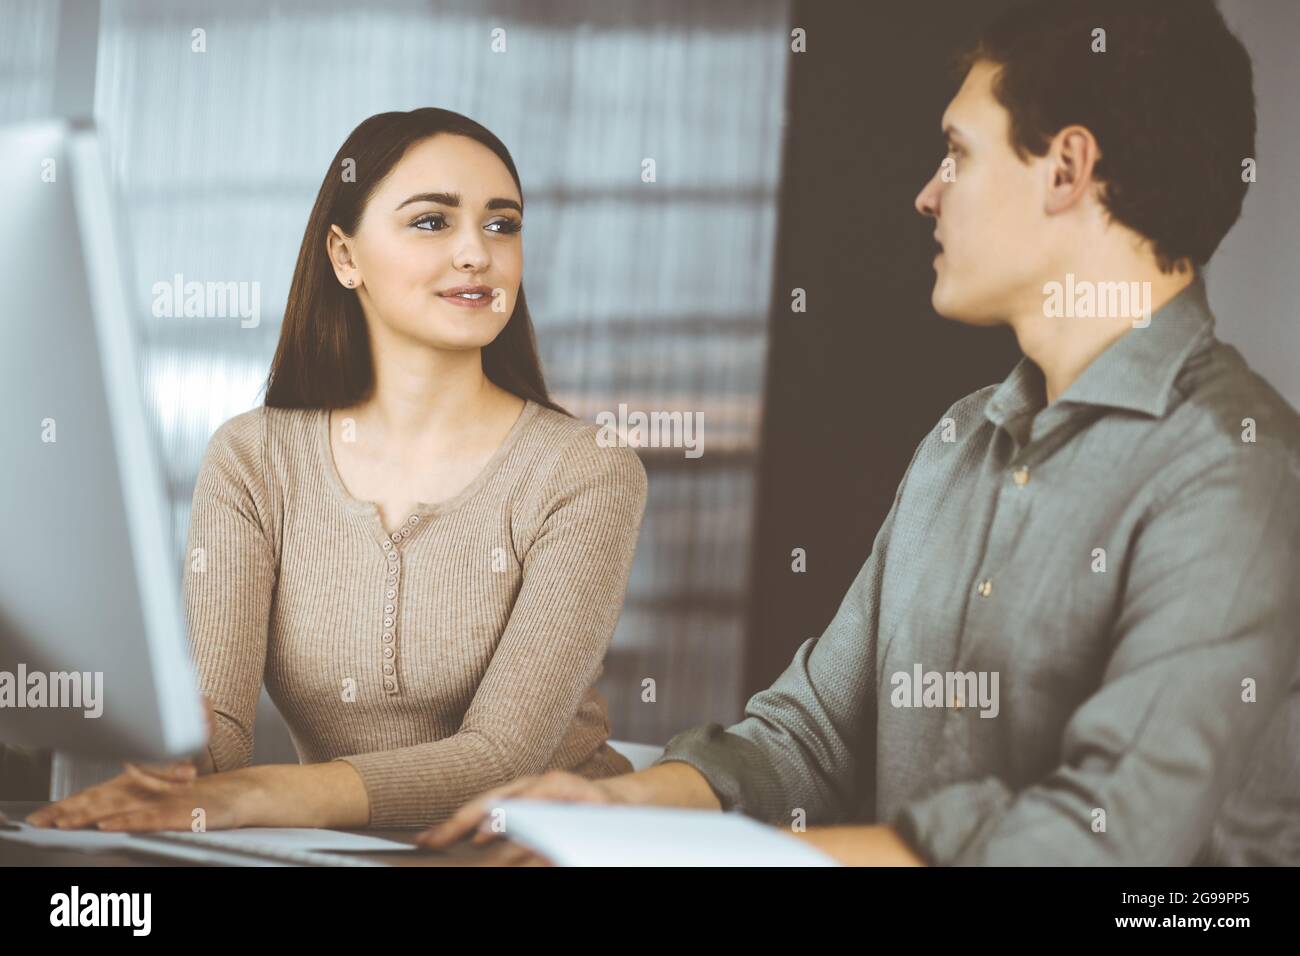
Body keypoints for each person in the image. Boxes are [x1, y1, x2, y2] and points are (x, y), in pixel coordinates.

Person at [422, 0, 1300, 865]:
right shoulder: (964, 438)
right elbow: (814, 737)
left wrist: (702, 863)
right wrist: (614, 807)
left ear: (1066, 168)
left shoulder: (1236, 472)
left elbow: (1106, 840)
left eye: (958, 153)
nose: (927, 194)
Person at [27, 108, 647, 832]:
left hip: (548, 849)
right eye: (431, 222)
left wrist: (260, 796)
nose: (478, 252)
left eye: (501, 224)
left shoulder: (585, 470)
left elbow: (501, 760)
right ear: (344, 256)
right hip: (345, 851)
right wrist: (175, 756)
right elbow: (219, 731)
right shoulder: (253, 458)